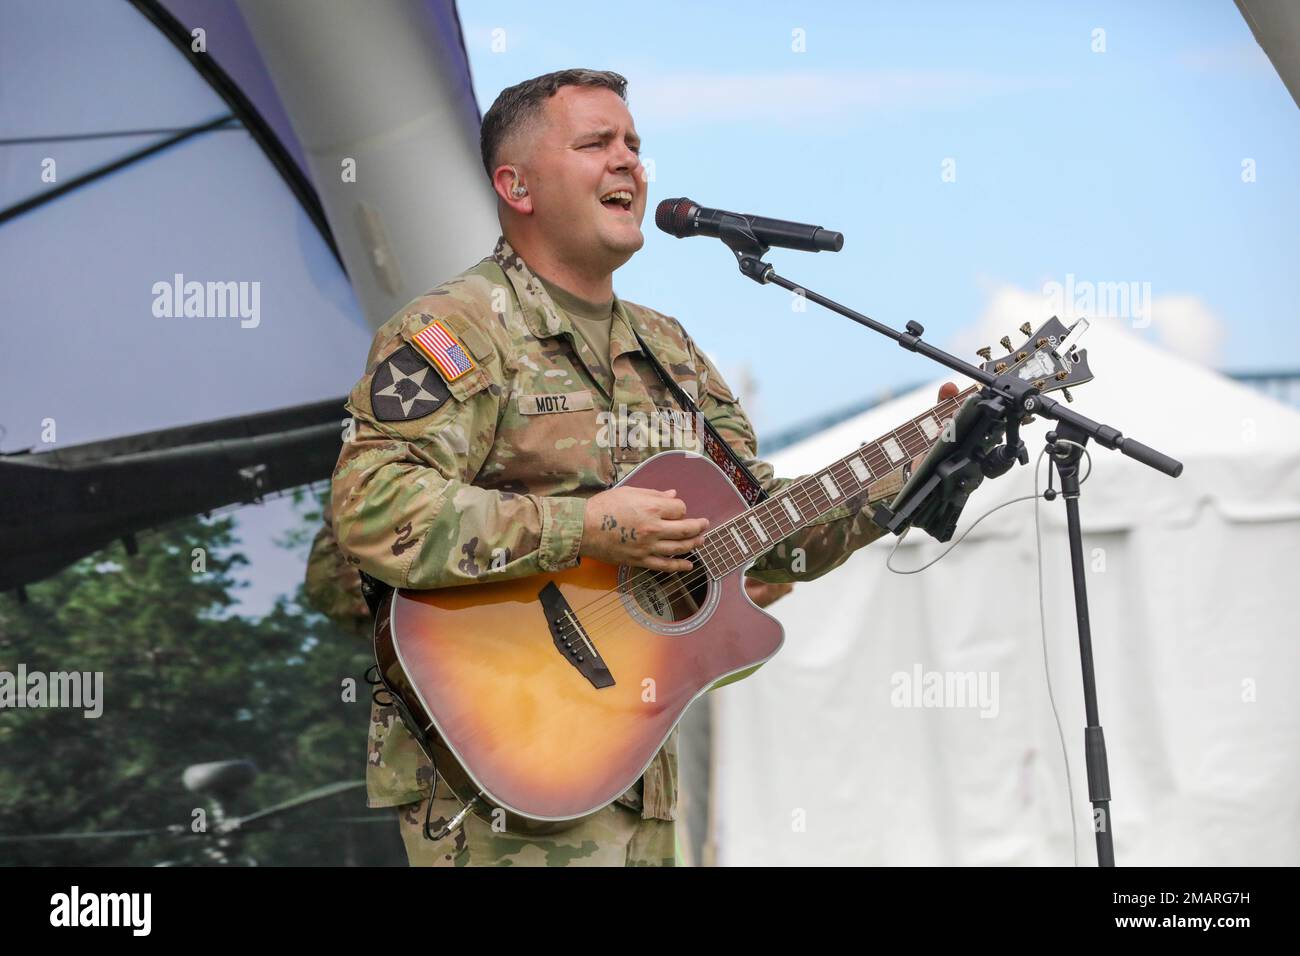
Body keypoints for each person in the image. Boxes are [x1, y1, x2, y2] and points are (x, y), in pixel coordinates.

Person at [327, 68, 947, 866]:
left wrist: (915, 467)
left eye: (635, 145)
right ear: (515, 185)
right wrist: (584, 526)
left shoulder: (672, 350)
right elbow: (376, 509)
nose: (629, 163)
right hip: (497, 782)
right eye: (596, 143)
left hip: (633, 767)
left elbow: (767, 533)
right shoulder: (456, 329)